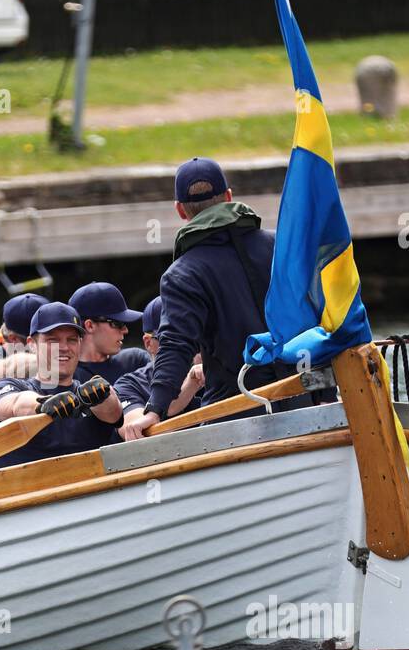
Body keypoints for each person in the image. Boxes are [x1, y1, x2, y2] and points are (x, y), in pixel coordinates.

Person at [124, 157, 309, 440]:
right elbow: (320, 313)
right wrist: (326, 392)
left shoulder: (181, 274)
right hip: (307, 401)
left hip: (235, 415)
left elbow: (176, 342)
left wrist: (155, 408)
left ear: (180, 211)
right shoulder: (283, 246)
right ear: (229, 196)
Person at [0, 302, 122, 469]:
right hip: (24, 491)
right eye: (52, 340)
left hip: (89, 489)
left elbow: (113, 413)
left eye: (71, 340)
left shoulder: (90, 392)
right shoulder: (8, 386)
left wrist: (105, 397)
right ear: (32, 344)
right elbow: (14, 405)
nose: (63, 347)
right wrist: (41, 406)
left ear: (80, 344)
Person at [115, 296, 204, 440]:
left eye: (195, 337)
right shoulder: (130, 384)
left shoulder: (219, 371)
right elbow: (136, 431)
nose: (185, 345)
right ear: (148, 343)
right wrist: (191, 383)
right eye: (168, 338)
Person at [68, 281, 152, 384]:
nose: (125, 330)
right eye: (117, 323)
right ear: (90, 326)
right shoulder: (67, 377)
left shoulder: (135, 361)